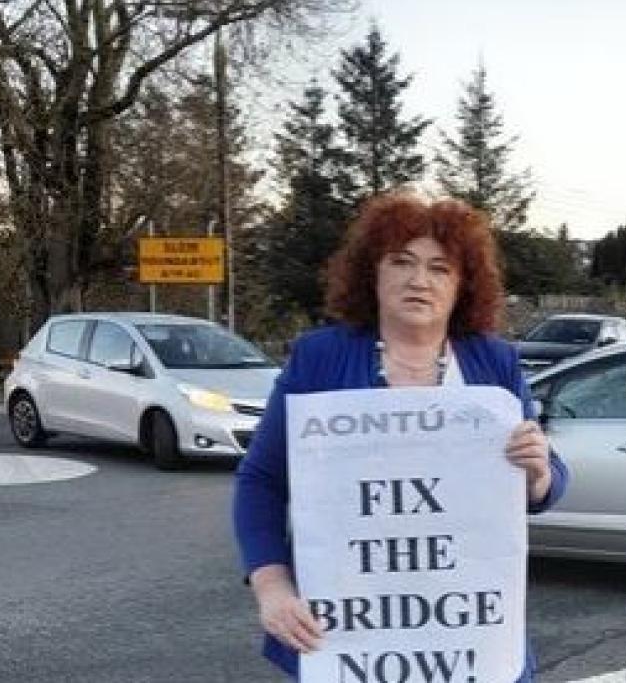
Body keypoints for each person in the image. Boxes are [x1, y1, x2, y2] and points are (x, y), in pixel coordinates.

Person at [233, 191, 569, 681]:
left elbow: (546, 485)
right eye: (401, 262)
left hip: (468, 629)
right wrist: (272, 587)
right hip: (346, 631)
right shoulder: (320, 358)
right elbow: (260, 480)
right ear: (373, 272)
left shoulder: (494, 362)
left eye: (440, 268)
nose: (419, 280)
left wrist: (538, 471)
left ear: (462, 285)